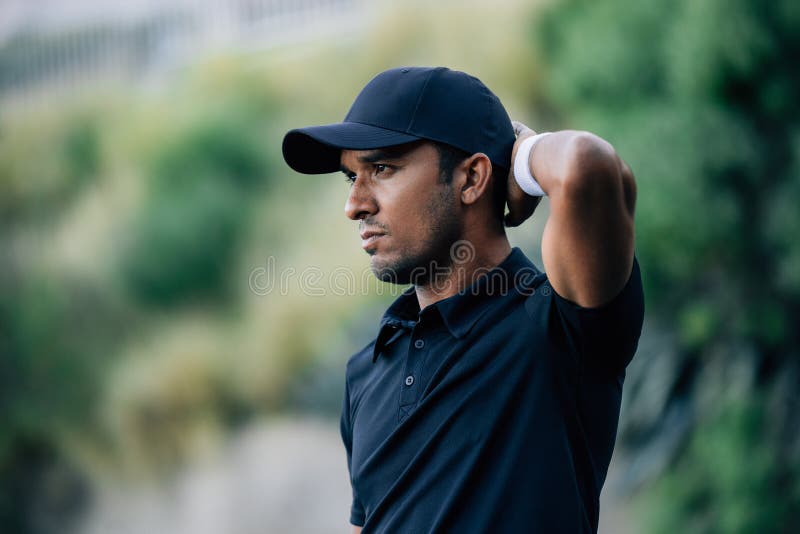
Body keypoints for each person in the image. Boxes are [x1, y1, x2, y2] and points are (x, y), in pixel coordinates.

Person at [282, 66, 643, 534]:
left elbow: (586, 166)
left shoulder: (557, 327)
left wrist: (524, 155)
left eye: (382, 169)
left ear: (472, 178)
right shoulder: (367, 370)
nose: (355, 204)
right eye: (351, 177)